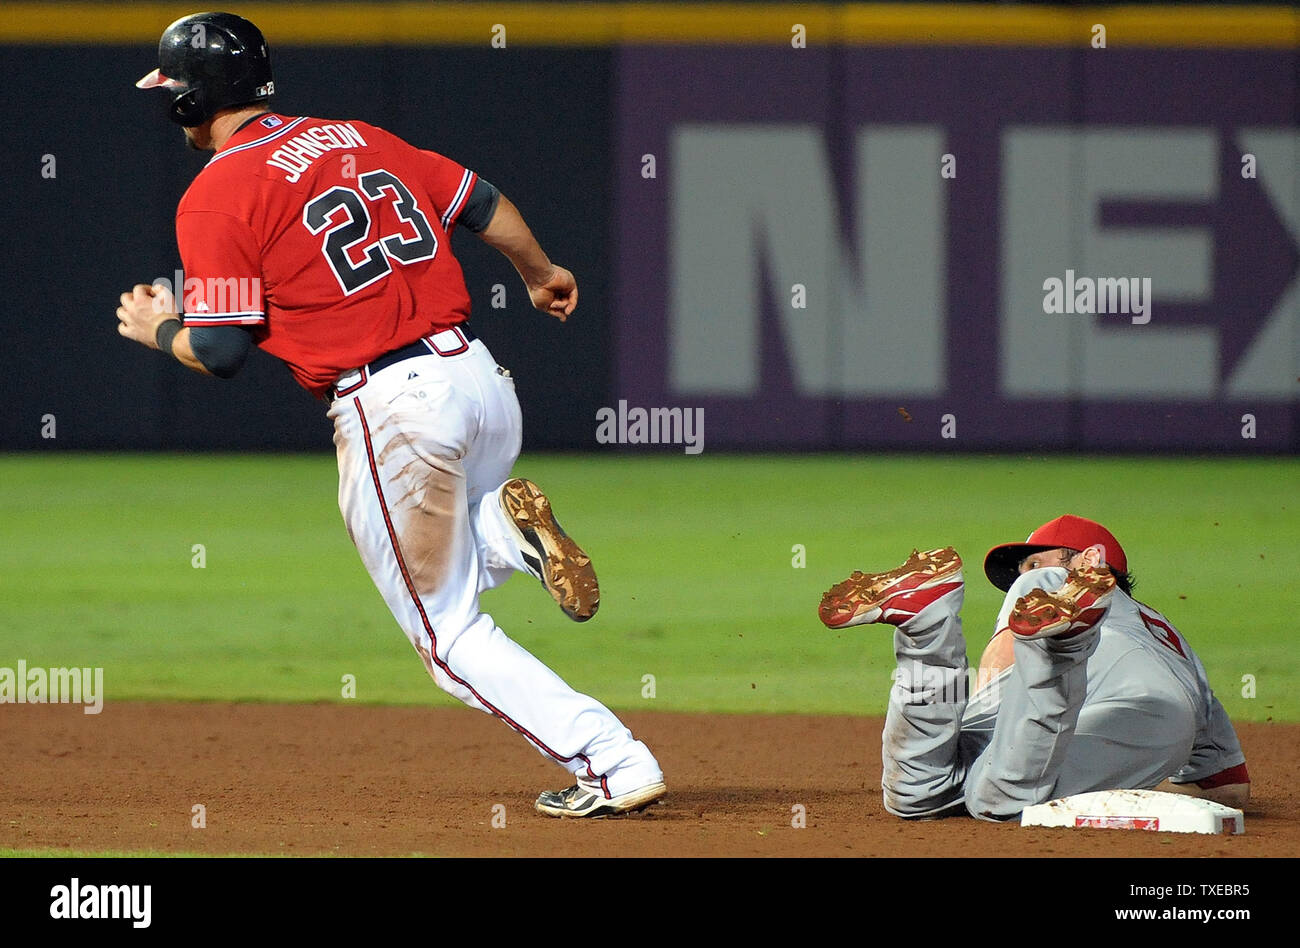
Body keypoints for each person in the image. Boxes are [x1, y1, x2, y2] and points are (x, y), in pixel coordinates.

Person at [117, 11, 665, 819]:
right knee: (451, 561)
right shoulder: (355, 137)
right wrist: (541, 272)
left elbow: (224, 351)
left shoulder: (218, 194)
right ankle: (502, 536)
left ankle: (613, 762)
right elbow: (477, 200)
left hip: (397, 410)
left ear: (187, 99)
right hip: (479, 377)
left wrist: (159, 329)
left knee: (446, 636)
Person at [818, 514, 1247, 820]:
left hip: (1118, 700)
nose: (1024, 576)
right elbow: (1228, 786)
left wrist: (949, 726)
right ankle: (1057, 645)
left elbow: (997, 669)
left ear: (1088, 563)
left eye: (1035, 562)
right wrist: (1123, 775)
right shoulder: (1172, 641)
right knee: (936, 796)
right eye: (1024, 569)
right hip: (1156, 713)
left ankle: (928, 631)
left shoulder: (1043, 584)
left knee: (947, 790)